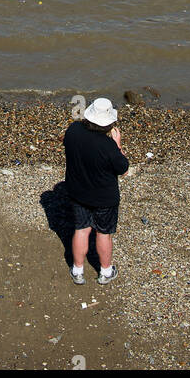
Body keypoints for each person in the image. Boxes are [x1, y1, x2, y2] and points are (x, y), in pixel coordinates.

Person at [63, 96, 129, 285]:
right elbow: (123, 169)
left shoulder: (73, 130)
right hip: (104, 197)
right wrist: (117, 145)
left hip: (78, 191)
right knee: (103, 233)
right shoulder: (108, 147)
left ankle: (77, 270)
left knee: (81, 230)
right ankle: (105, 272)